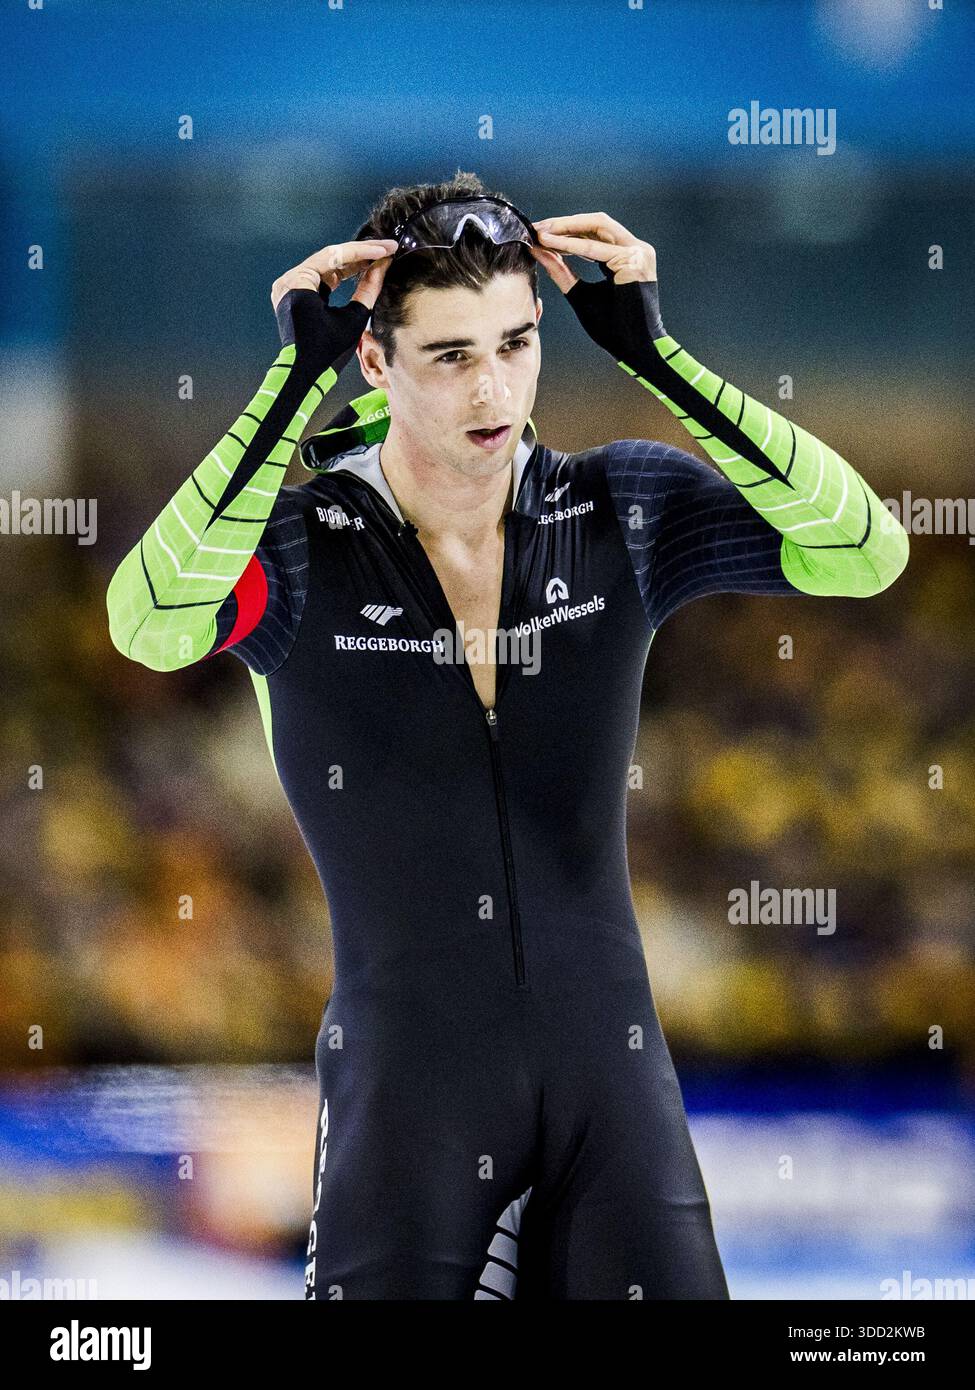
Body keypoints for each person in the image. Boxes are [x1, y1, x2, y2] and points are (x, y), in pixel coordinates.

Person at [106, 171, 909, 1300]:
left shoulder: (619, 507)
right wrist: (291, 382)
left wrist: (655, 357)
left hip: (612, 1077)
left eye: (517, 343)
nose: (493, 388)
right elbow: (145, 626)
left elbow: (866, 551)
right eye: (449, 354)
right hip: (410, 1097)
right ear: (376, 362)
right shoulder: (300, 549)